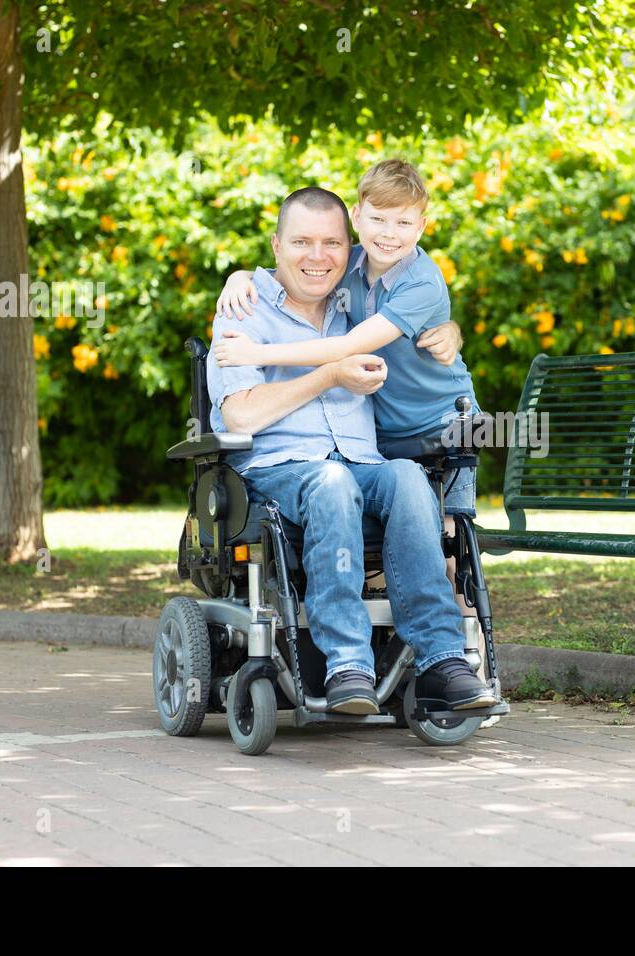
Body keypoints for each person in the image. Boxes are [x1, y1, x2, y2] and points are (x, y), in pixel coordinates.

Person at [205, 185, 494, 715]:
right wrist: (328, 375)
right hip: (281, 474)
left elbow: (417, 316)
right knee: (330, 481)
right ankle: (347, 664)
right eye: (302, 242)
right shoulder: (243, 314)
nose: (318, 257)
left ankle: (443, 660)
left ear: (349, 246)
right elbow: (240, 413)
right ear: (275, 246)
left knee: (407, 476)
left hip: (364, 466)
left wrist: (450, 329)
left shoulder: (355, 302)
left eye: (331, 244)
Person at [213, 159, 481, 520]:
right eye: (379, 220)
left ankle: (447, 575)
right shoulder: (349, 264)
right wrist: (239, 276)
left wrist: (257, 352)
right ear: (358, 219)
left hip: (442, 424)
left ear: (421, 227)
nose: (389, 233)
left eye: (403, 223)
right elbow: (294, 269)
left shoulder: (422, 281)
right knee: (387, 542)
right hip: (386, 434)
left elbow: (345, 347)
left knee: (447, 538)